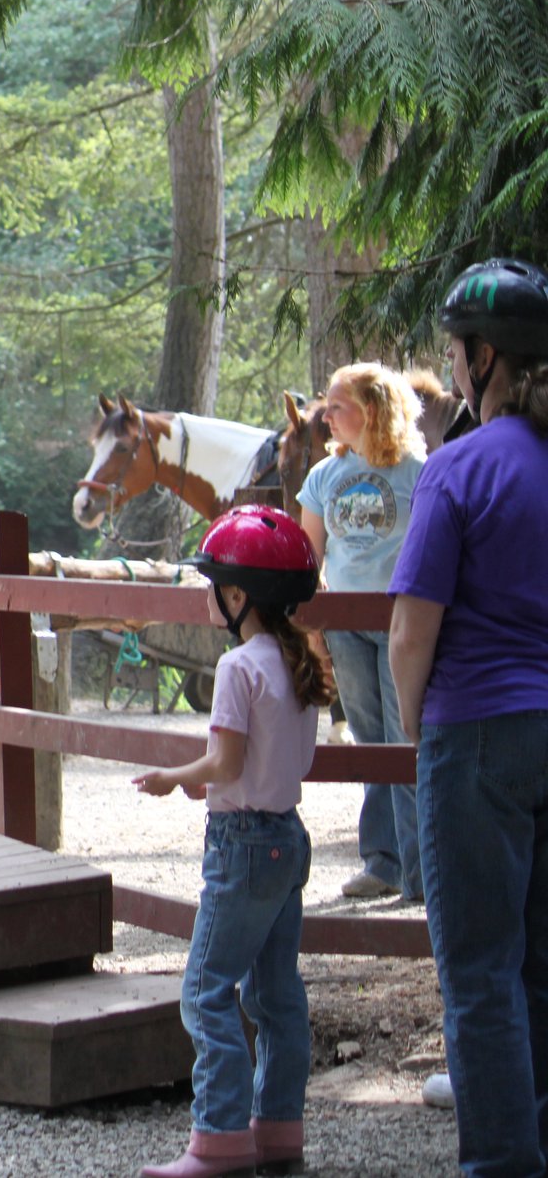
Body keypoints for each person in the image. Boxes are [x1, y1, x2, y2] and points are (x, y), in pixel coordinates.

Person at [390, 257, 548, 1175]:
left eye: (455, 353)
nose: (451, 369)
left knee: (480, 970)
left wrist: (421, 731)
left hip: (479, 727)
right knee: (541, 964)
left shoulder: (458, 469)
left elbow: (411, 632)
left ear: (484, 358)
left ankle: (498, 1163)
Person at [134, 505, 330, 1178]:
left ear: (238, 594)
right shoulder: (297, 661)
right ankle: (278, 1128)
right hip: (287, 835)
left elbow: (224, 763)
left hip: (243, 841)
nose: (212, 595)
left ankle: (218, 1139)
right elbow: (278, 760)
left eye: (216, 583)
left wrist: (172, 778)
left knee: (206, 990)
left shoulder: (238, 667)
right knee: (276, 992)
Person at [297, 362, 426, 901]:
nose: (325, 415)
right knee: (371, 741)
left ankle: (421, 873)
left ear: (370, 411)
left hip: (400, 623)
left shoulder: (418, 470)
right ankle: (382, 861)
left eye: (337, 406)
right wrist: (312, 628)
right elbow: (309, 558)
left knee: (405, 740)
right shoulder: (324, 476)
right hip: (347, 626)